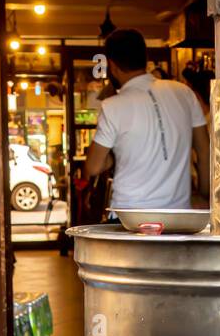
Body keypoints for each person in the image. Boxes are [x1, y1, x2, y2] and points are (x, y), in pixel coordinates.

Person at [84, 28, 209, 210]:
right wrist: (206, 195)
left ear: (112, 65)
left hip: (129, 214)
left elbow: (93, 167)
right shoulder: (184, 93)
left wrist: (111, 159)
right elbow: (204, 151)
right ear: (145, 59)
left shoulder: (112, 106)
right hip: (177, 214)